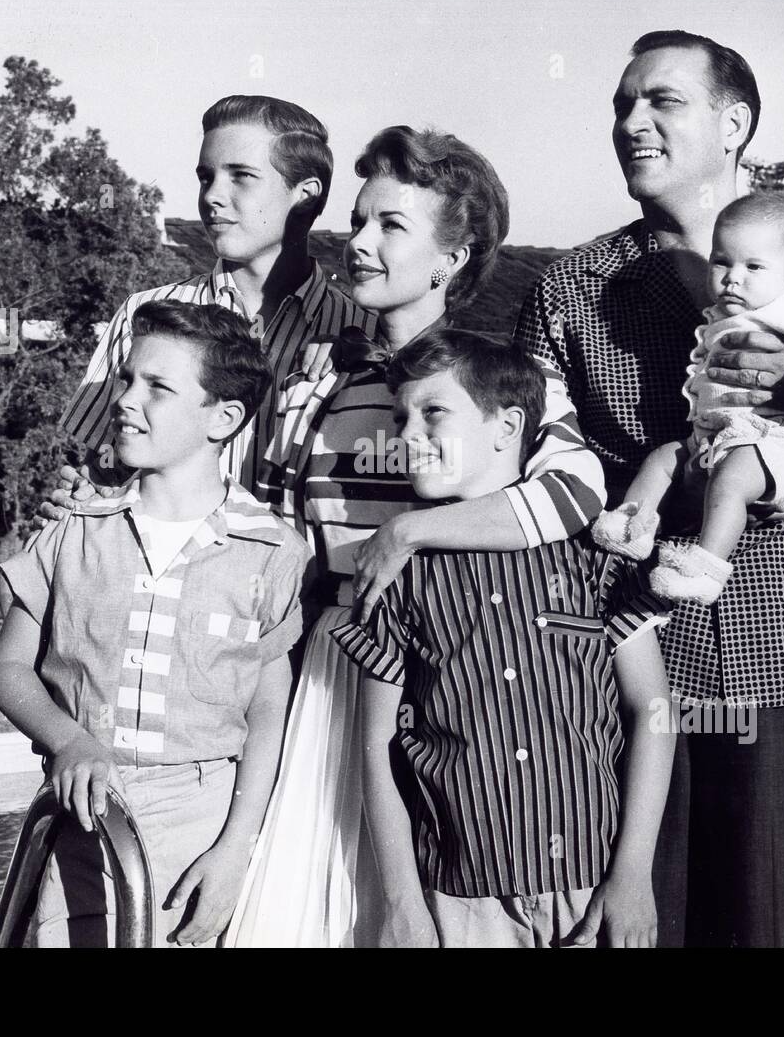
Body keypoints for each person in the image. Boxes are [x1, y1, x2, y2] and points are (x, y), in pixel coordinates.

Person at [514, 30, 784, 947]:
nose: (631, 121)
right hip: (629, 678)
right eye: (621, 105)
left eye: (661, 101)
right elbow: (541, 484)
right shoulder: (568, 293)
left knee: (783, 929)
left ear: (734, 123)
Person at [222, 126, 609, 947]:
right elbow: (255, 524)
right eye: (359, 221)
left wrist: (410, 533)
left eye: (390, 225)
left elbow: (574, 493)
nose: (357, 242)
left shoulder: (509, 379)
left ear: (453, 256)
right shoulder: (315, 384)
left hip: (471, 698)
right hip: (338, 689)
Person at [331, 328, 674, 949]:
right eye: (401, 416)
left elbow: (652, 712)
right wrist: (403, 904)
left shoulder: (596, 559)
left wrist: (632, 876)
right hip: (458, 900)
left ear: (507, 426)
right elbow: (378, 743)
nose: (408, 435)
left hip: (590, 886)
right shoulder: (395, 573)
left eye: (433, 412)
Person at [0, 301, 311, 947]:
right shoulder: (77, 527)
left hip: (202, 825)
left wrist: (235, 849)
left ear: (224, 418)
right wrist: (69, 739)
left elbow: (269, 707)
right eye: (127, 379)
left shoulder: (271, 550)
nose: (127, 399)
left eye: (158, 387)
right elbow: (8, 666)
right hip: (79, 814)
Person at [57, 95, 375, 500]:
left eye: (240, 176)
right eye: (206, 177)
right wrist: (82, 497)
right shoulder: (143, 316)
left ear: (306, 195)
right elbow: (102, 472)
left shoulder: (365, 334)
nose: (212, 196)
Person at [594, 193, 784, 605]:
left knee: (733, 479)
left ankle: (706, 568)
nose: (733, 277)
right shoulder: (726, 312)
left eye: (754, 266)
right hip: (719, 436)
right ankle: (632, 526)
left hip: (780, 438)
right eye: (721, 262)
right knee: (664, 458)